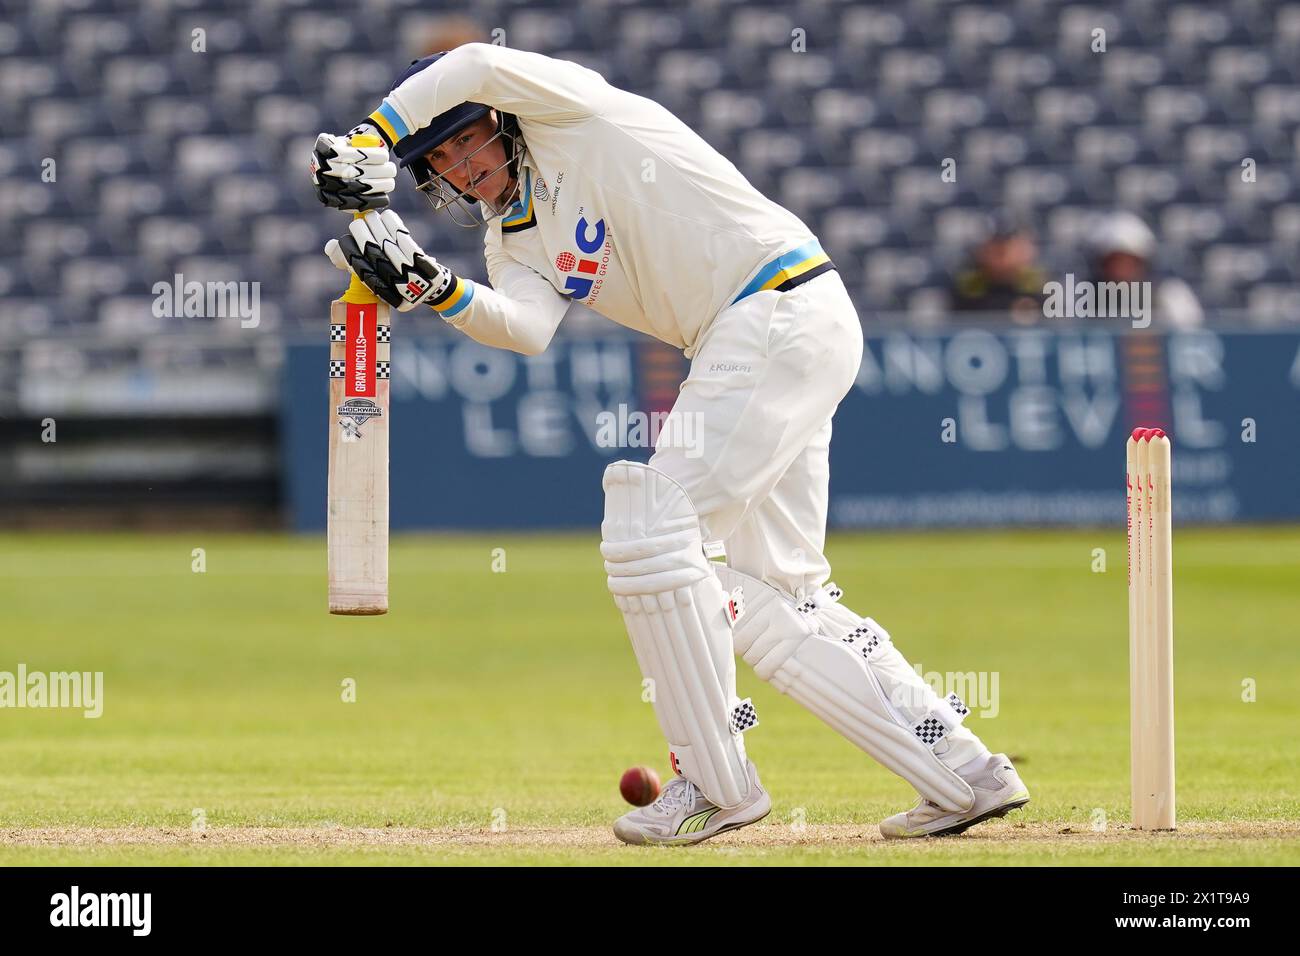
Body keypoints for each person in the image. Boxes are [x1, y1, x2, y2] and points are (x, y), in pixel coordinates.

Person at [309, 43, 1028, 845]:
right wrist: (431, 289)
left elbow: (475, 57)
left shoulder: (570, 114)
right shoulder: (511, 242)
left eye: (463, 141)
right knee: (779, 594)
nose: (458, 167)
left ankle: (715, 785)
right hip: (775, 330)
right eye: (435, 159)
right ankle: (962, 770)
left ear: (499, 119)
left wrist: (367, 137)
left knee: (650, 527)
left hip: (770, 310)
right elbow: (524, 328)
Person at [1088, 211, 1203, 328]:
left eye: (1128, 261)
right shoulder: (1085, 298)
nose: (1120, 269)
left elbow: (1190, 335)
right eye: (1112, 262)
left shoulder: (1170, 295)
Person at [949, 212, 1046, 324]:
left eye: (1006, 247)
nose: (1002, 255)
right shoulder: (969, 283)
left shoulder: (1037, 282)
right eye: (995, 247)